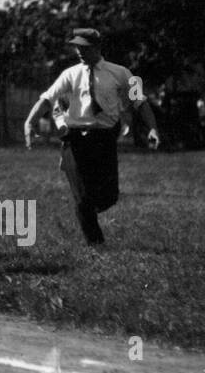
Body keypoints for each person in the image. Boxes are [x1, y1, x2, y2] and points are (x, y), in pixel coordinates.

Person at [23, 28, 160, 246]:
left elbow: (140, 102)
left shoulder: (122, 73)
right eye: (77, 46)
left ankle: (87, 212)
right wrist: (29, 122)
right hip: (75, 140)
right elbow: (47, 99)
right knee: (83, 197)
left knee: (109, 196)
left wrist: (152, 128)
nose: (79, 51)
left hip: (104, 139)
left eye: (84, 47)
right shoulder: (69, 74)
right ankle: (96, 244)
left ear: (97, 48)